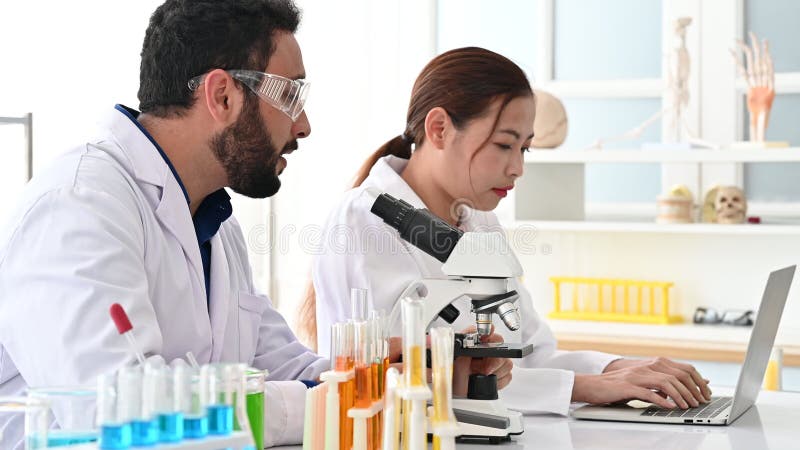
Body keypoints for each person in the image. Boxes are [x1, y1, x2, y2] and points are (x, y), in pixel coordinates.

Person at [0, 2, 504, 447]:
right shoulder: (80, 205)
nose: (303, 124)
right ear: (222, 96)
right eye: (291, 96)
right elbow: (118, 411)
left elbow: (276, 363)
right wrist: (322, 402)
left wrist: (376, 372)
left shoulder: (215, 222)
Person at [304, 46, 713, 417]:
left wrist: (619, 368)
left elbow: (529, 352)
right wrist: (587, 387)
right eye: (504, 145)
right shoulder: (366, 219)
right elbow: (403, 381)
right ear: (440, 129)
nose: (518, 167)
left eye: (525, 148)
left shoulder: (477, 220)